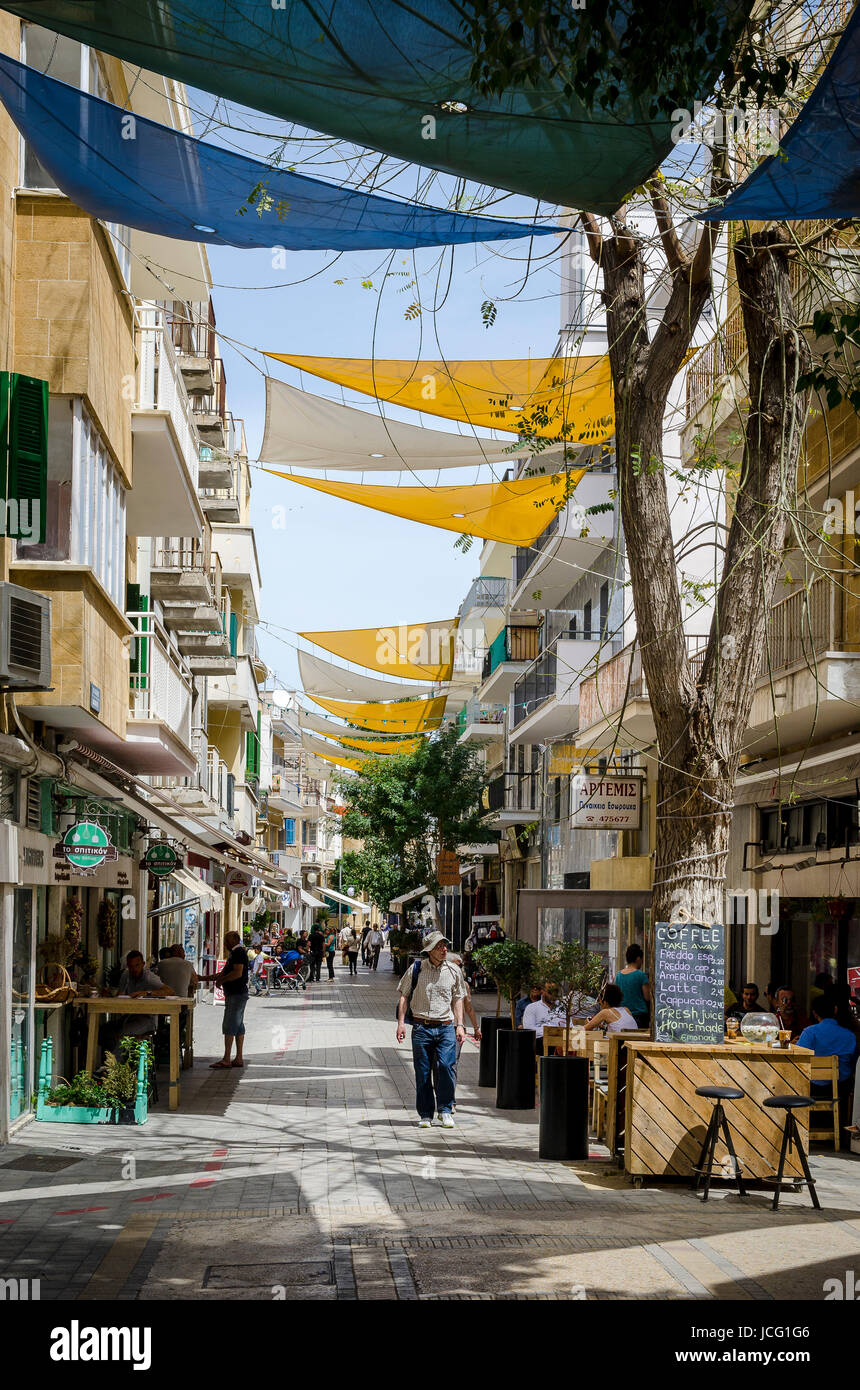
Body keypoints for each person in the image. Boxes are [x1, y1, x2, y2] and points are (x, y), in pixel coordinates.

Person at [396, 931, 466, 1127]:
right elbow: (404, 996)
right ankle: (425, 1114)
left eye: (445, 945)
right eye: (439, 946)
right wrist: (401, 1023)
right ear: (429, 950)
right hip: (421, 1028)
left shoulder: (454, 970)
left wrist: (460, 1025)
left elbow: (458, 998)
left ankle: (445, 1109)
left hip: (446, 1028)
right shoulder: (416, 969)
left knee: (445, 1067)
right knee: (423, 1072)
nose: (444, 949)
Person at [100, 949, 173, 1055]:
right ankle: (106, 1063)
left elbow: (170, 991)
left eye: (137, 965)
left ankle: (115, 1068)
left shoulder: (149, 978)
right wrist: (110, 994)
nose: (134, 969)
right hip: (129, 1016)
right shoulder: (126, 975)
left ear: (143, 964)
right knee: (104, 1030)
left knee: (123, 1033)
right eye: (131, 966)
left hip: (147, 1019)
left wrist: (146, 993)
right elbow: (120, 995)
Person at [797, 994, 859, 1118]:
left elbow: (799, 1059)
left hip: (812, 1091)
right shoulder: (850, 1035)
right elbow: (854, 1063)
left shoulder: (809, 1033)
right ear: (835, 1010)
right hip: (841, 1092)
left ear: (814, 1013)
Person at [208, 931, 250, 1069]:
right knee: (238, 1026)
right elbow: (224, 973)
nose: (224, 943)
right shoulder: (235, 953)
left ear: (233, 941)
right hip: (236, 993)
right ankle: (238, 1058)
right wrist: (204, 978)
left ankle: (227, 1058)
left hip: (236, 994)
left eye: (226, 940)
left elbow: (237, 973)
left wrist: (222, 980)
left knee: (230, 1025)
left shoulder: (238, 953)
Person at [521, 982, 565, 1055]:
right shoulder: (532, 1007)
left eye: (556, 992)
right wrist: (550, 1032)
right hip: (540, 1042)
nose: (553, 995)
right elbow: (529, 1029)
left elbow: (570, 1026)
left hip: (561, 1041)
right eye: (550, 992)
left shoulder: (562, 1008)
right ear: (543, 991)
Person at [614, 943, 651, 1028]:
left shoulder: (619, 975)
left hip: (623, 1015)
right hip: (639, 1016)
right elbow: (647, 997)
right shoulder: (641, 975)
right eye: (642, 960)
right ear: (638, 958)